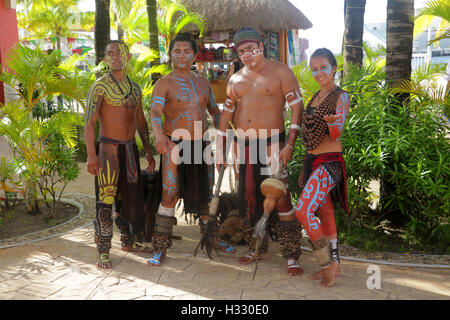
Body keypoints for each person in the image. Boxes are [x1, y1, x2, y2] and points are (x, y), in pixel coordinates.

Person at [216, 28, 305, 277]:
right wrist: (221, 149)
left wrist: (290, 143)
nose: (247, 54)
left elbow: (297, 107)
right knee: (250, 200)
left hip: (273, 144)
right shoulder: (235, 80)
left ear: (261, 46)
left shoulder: (281, 72)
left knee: (281, 198)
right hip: (245, 147)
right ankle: (258, 247)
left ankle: (291, 255)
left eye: (251, 48)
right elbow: (226, 115)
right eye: (242, 50)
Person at [147, 33, 228, 267]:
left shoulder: (203, 82)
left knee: (206, 192)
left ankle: (210, 239)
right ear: (170, 54)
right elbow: (154, 113)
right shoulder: (164, 83)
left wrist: (227, 131)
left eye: (187, 51)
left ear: (194, 55)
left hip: (201, 144)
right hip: (175, 144)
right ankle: (160, 247)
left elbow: (215, 111)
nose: (182, 56)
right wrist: (160, 135)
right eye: (177, 51)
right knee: (169, 194)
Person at [84, 40, 156, 269]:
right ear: (105, 59)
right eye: (110, 53)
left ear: (128, 57)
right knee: (105, 200)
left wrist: (148, 149)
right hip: (108, 150)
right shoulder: (100, 87)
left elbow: (141, 122)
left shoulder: (135, 89)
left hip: (130, 150)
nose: (115, 56)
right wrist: (91, 155)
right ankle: (103, 249)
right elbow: (89, 123)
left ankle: (129, 239)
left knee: (131, 197)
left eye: (120, 52)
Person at [293, 48, 350, 287]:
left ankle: (326, 264)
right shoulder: (314, 97)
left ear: (334, 68)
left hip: (330, 162)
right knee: (324, 212)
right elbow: (309, 135)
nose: (319, 73)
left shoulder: (341, 96)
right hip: (312, 162)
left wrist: (333, 123)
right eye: (314, 69)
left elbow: (338, 132)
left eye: (323, 67)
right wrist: (304, 170)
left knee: (303, 210)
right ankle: (334, 265)